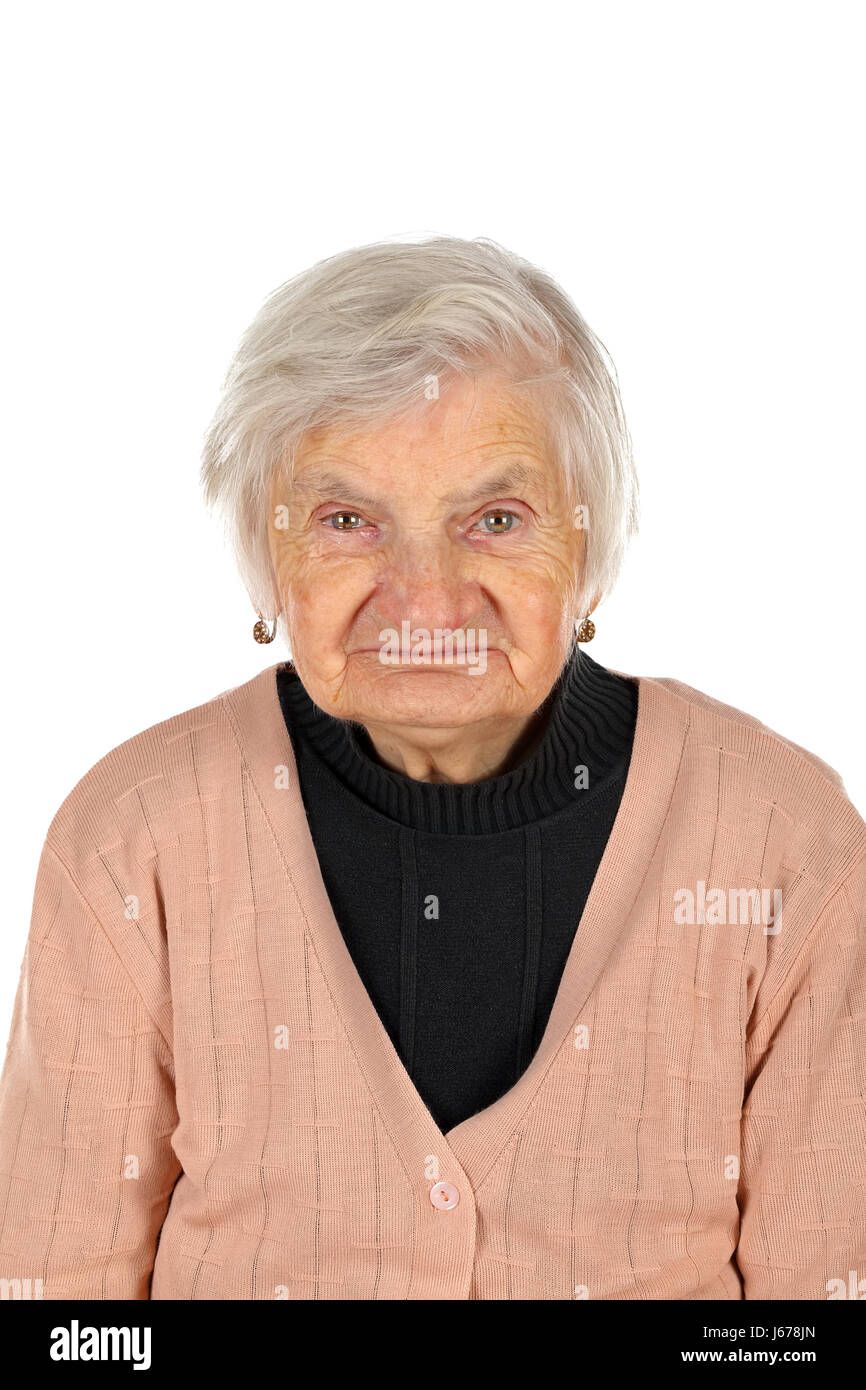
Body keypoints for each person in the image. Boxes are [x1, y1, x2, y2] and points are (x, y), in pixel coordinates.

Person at [1, 235, 863, 1300]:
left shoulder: (786, 849)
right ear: (265, 559)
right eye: (347, 521)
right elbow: (55, 1303)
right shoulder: (132, 841)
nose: (424, 600)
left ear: (587, 551)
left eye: (494, 520)